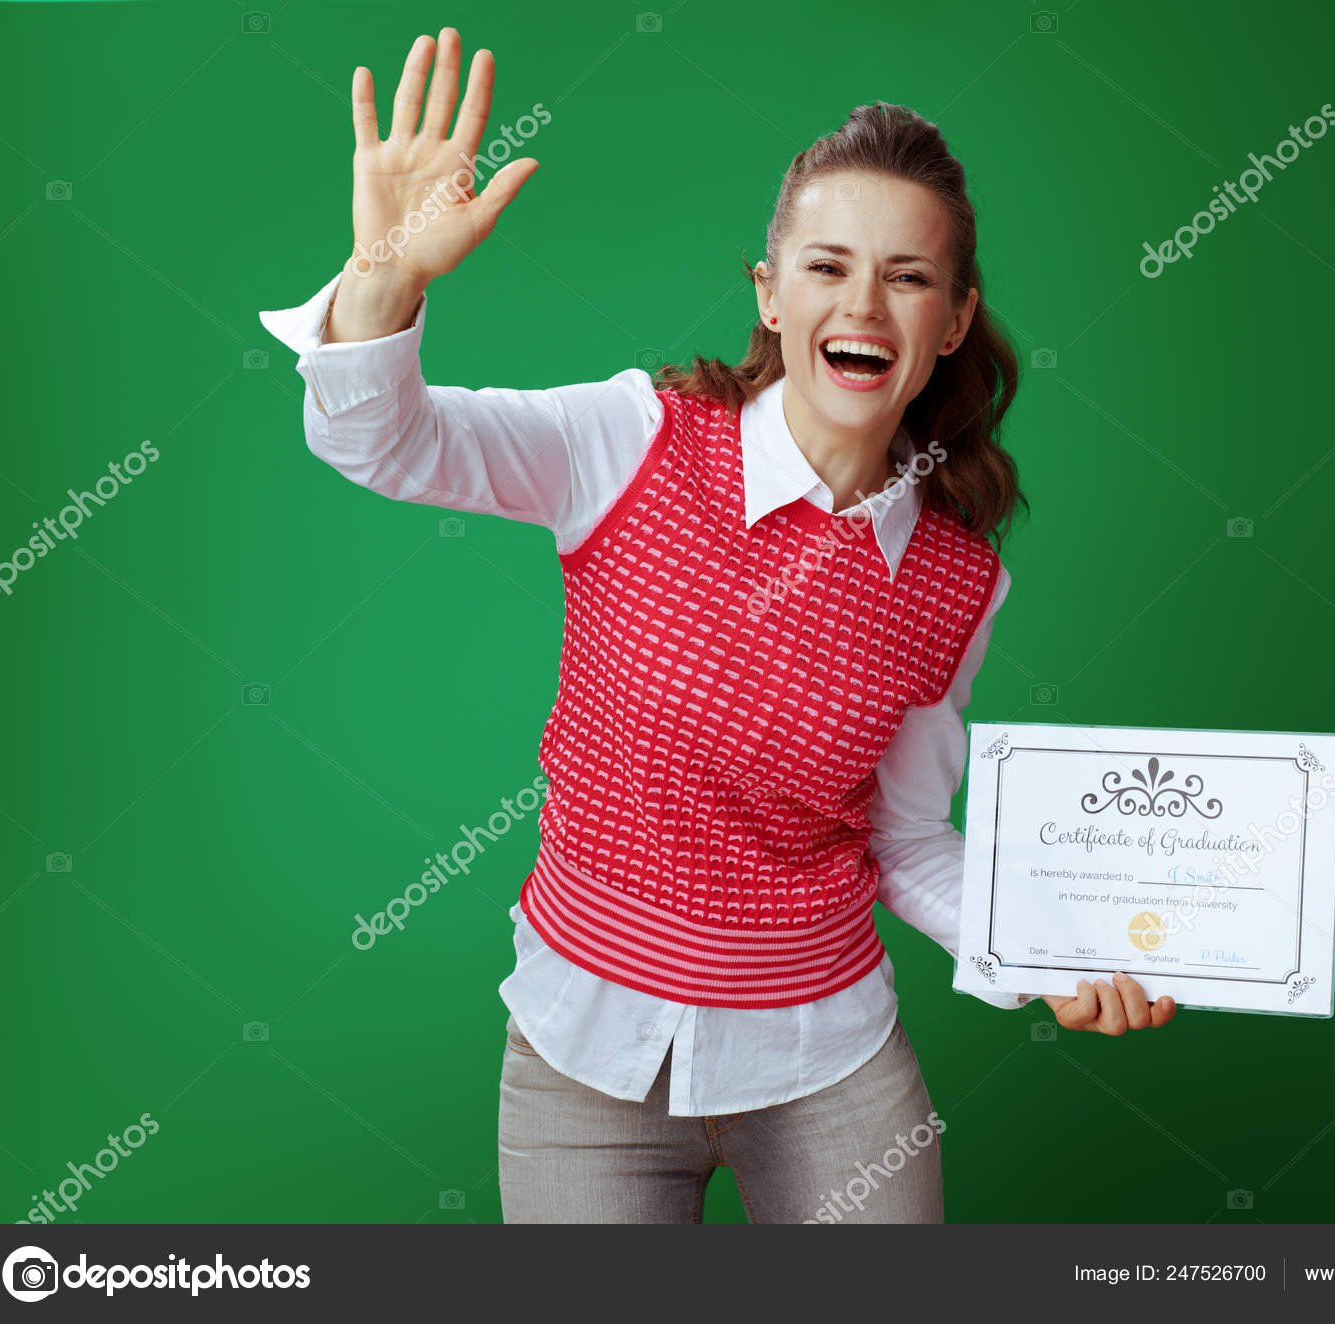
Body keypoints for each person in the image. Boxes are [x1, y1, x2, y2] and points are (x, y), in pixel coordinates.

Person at [259, 26, 1176, 1225]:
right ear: (770, 290)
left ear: (951, 320)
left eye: (906, 276)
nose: (862, 302)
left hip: (826, 1065)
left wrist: (1046, 950)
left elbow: (902, 838)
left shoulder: (956, 580)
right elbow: (379, 440)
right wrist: (386, 268)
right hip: (582, 1061)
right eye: (826, 266)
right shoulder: (630, 437)